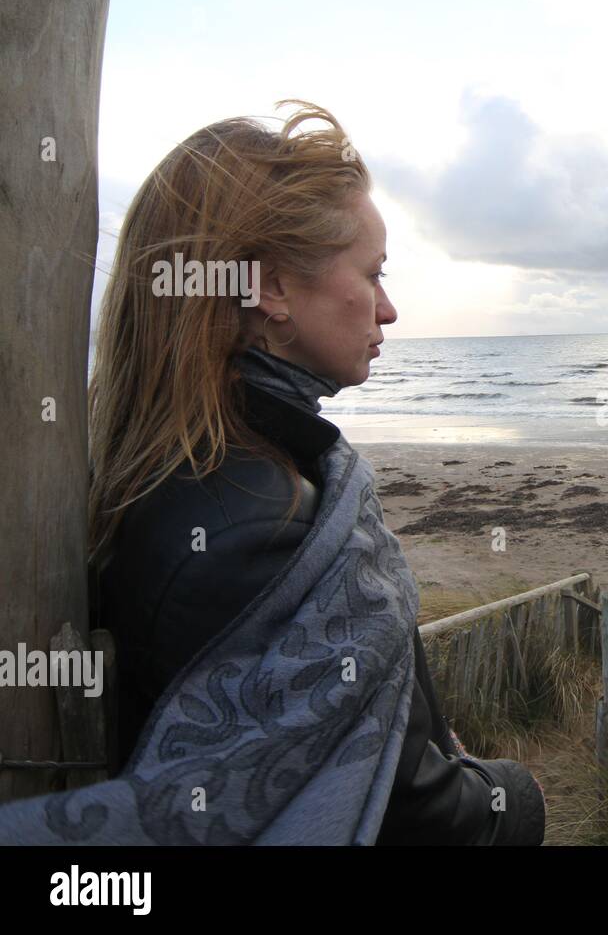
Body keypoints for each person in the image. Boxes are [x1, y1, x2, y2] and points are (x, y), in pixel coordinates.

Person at [0, 102, 544, 845]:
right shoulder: (259, 531)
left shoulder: (196, 477)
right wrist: (513, 796)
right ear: (273, 290)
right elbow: (396, 809)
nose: (388, 308)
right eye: (373, 274)